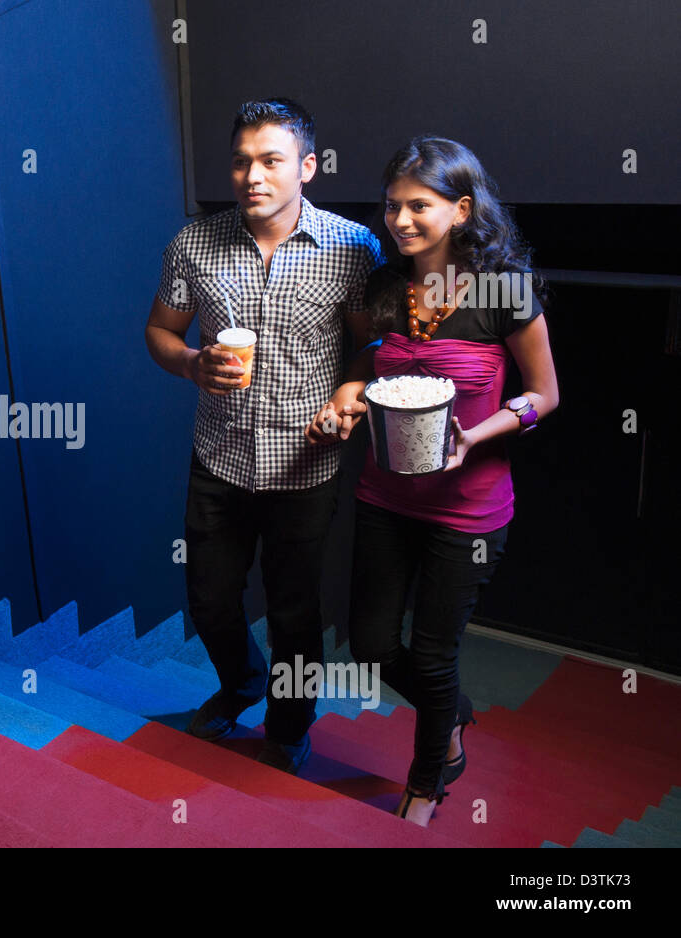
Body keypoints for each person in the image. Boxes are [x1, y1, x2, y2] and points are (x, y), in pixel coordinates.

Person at [307, 136, 560, 824]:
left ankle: (427, 782)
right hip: (385, 497)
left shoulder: (506, 290)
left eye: (419, 205)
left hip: (469, 510)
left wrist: (475, 436)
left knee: (432, 651)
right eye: (392, 205)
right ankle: (453, 714)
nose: (400, 219)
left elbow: (545, 394)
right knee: (370, 645)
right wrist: (349, 397)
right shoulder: (387, 286)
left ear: (461, 209)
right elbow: (367, 360)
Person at [145, 98, 383, 772]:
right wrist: (191, 362)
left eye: (271, 160)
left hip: (304, 470)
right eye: (242, 161)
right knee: (210, 600)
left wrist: (347, 392)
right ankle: (241, 682)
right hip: (218, 458)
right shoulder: (194, 244)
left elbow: (371, 347)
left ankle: (288, 723)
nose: (253, 175)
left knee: (294, 614)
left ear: (306, 166)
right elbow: (159, 332)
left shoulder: (353, 248)